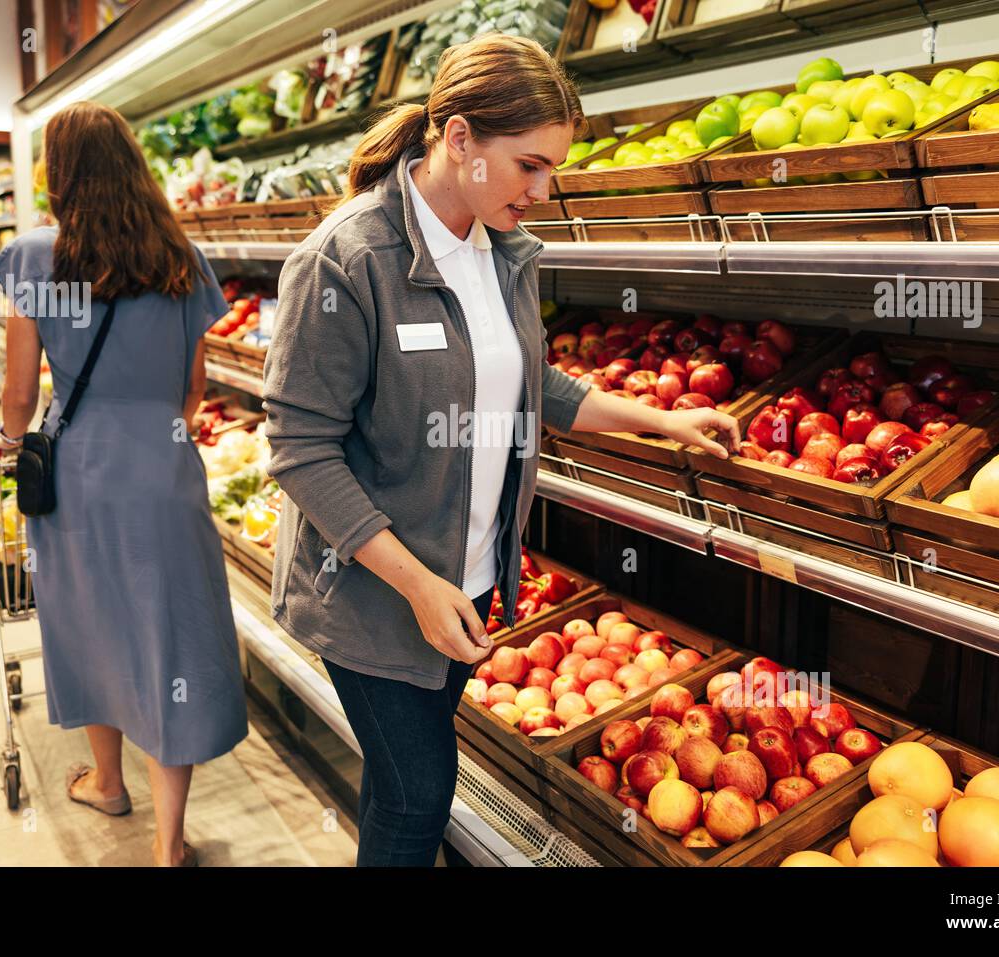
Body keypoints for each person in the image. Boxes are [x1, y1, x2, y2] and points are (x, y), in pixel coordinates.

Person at [261, 34, 740, 867]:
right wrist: (415, 584)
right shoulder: (347, 259)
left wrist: (664, 421)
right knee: (419, 793)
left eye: (552, 169)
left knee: (397, 785)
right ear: (458, 140)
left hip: (471, 583)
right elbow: (301, 449)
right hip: (377, 597)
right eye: (528, 165)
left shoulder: (502, 253)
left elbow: (530, 386)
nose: (543, 191)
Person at [0, 102, 247, 867]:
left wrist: (2, 446)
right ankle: (169, 844)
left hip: (79, 470)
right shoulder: (177, 259)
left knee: (91, 622)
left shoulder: (38, 258)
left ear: (58, 175)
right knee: (170, 635)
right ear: (132, 164)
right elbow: (193, 385)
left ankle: (106, 779)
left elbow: (22, 394)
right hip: (163, 466)